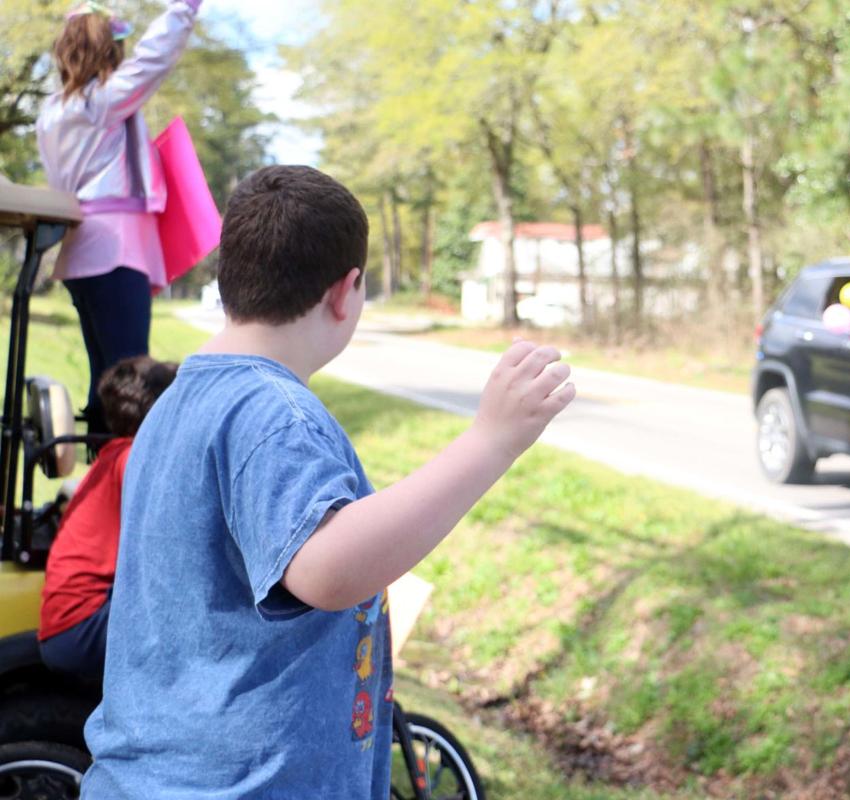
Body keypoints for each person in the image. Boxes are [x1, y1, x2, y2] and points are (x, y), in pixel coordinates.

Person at [81, 165, 577, 798]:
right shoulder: (272, 415)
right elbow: (326, 568)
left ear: (228, 275)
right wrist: (491, 441)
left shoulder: (180, 400)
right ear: (346, 292)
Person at [37, 0, 202, 435]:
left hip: (81, 253)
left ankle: (102, 483)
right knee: (132, 382)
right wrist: (185, 8)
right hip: (116, 249)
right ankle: (123, 490)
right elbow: (156, 55)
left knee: (106, 382)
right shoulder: (105, 101)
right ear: (108, 50)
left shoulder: (51, 112)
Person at [38, 356, 178, 681]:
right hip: (84, 623)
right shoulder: (134, 460)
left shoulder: (115, 453)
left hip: (73, 620)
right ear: (163, 412)